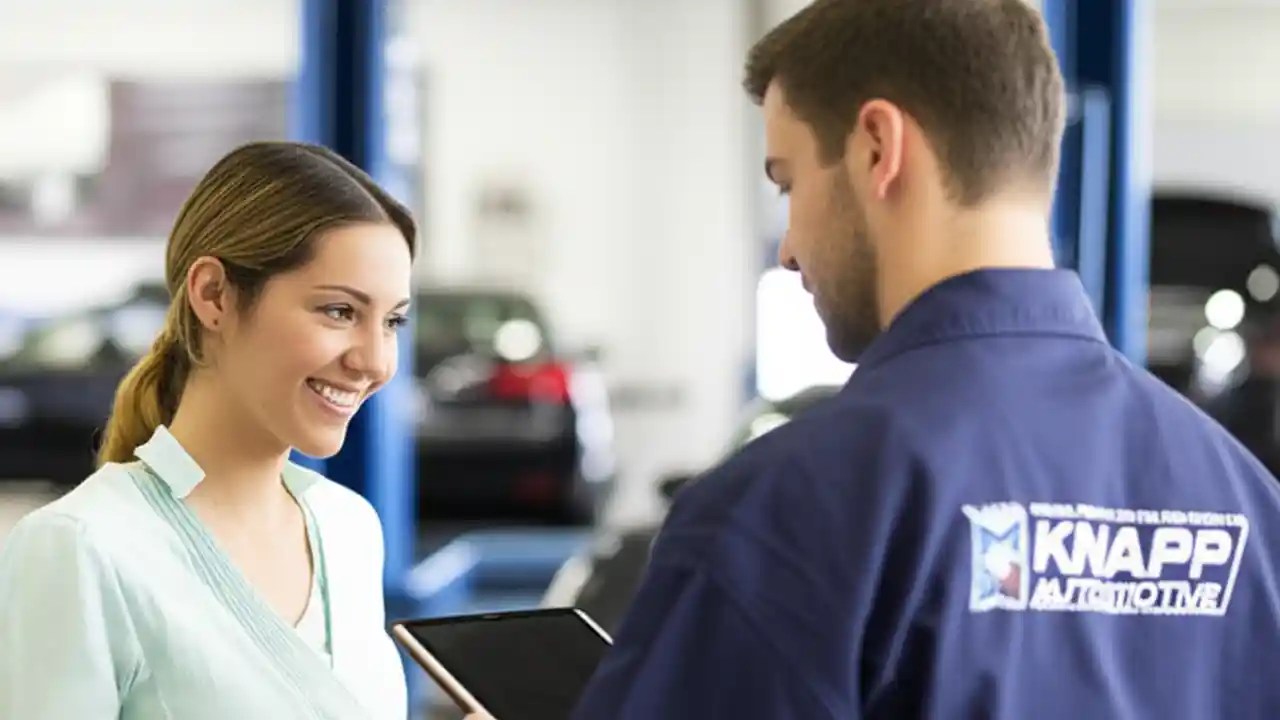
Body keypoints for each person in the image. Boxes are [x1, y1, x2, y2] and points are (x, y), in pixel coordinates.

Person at [569, 1, 1280, 718]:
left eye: (788, 184)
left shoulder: (784, 513)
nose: (786, 248)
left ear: (878, 147)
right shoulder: (1249, 508)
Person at [0, 141, 416, 719]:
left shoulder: (348, 529)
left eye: (392, 321)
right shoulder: (81, 547)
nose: (375, 361)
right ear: (213, 295)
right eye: (339, 311)